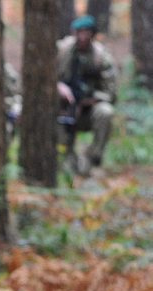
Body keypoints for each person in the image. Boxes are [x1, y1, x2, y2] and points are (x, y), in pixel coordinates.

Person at [56, 14, 117, 176]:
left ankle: (92, 157)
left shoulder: (101, 57)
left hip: (88, 110)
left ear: (93, 34)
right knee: (64, 157)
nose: (82, 37)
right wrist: (59, 87)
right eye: (79, 32)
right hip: (62, 109)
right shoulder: (61, 51)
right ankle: (66, 159)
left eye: (86, 32)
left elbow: (111, 92)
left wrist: (89, 99)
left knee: (106, 112)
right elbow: (41, 77)